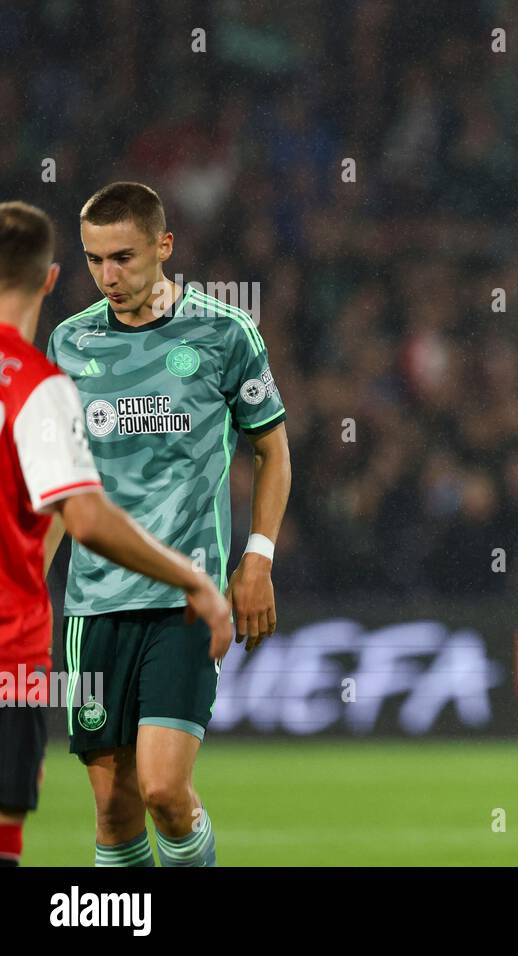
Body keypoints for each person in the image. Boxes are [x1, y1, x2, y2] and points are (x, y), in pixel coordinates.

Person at [45, 182, 291, 867]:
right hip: (94, 608)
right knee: (114, 813)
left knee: (163, 789)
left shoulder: (224, 333)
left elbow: (272, 450)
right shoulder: (70, 343)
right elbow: (62, 486)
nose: (108, 276)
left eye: (123, 256)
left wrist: (259, 558)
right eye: (94, 260)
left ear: (164, 246)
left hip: (186, 601)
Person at [0, 200, 229, 867]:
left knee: (149, 791)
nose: (108, 274)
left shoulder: (217, 334)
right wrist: (195, 580)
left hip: (81, 624)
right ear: (49, 277)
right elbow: (87, 519)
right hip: (14, 646)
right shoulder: (40, 384)